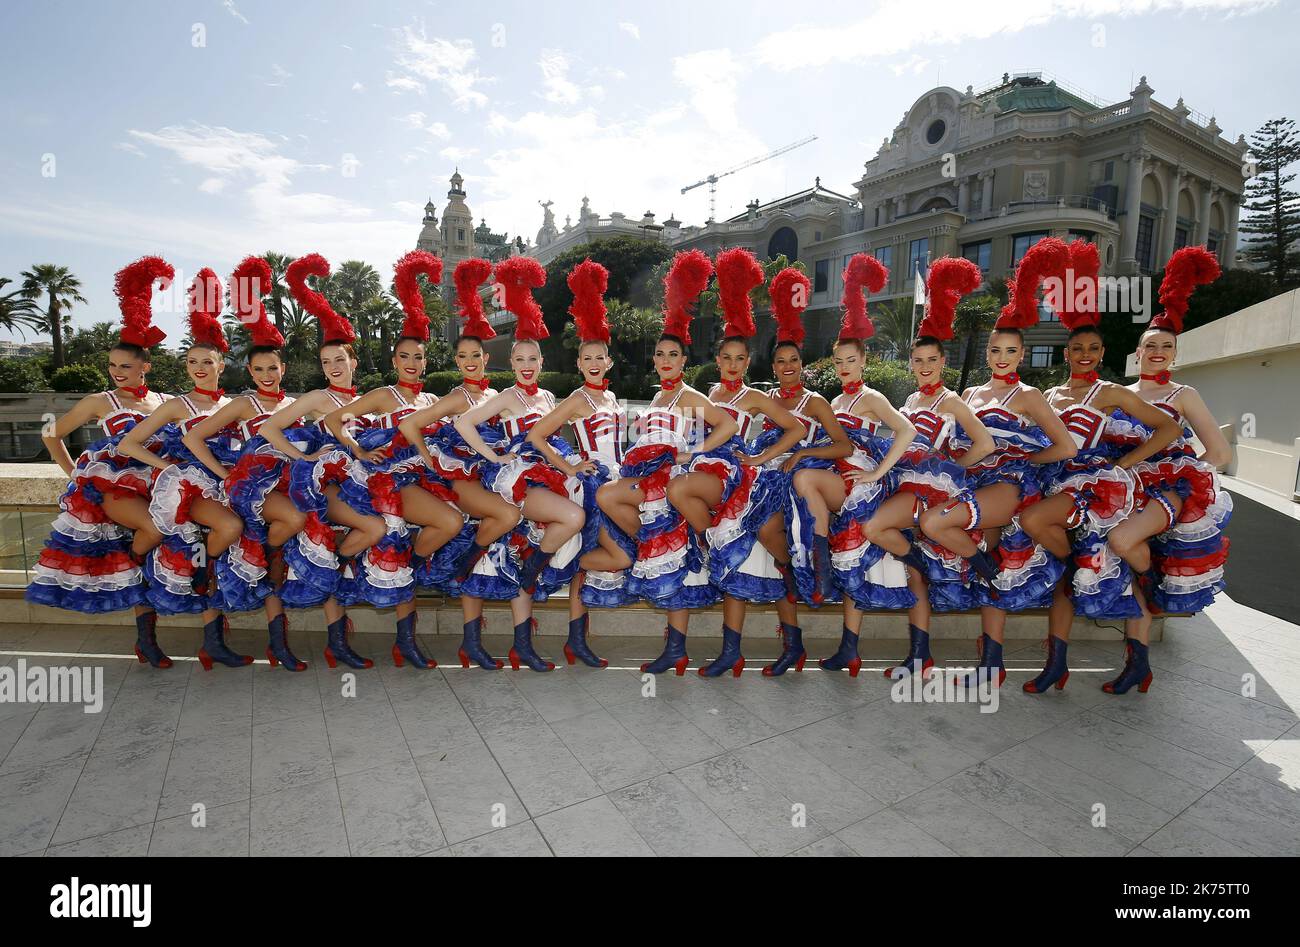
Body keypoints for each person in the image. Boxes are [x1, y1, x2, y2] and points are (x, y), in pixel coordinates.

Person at [1019, 239, 1182, 694]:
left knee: (1036, 521)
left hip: (1098, 491)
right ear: (1066, 354)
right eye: (1077, 348)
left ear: (1102, 350)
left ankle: (1138, 663)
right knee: (1068, 581)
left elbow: (1166, 429)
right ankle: (1057, 665)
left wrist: (1126, 465)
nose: (1085, 354)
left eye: (1093, 347)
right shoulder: (1049, 397)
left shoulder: (1111, 393)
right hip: (1056, 483)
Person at [26, 256, 174, 667]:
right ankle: (125, 568)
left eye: (126, 366)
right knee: (154, 528)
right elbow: (50, 433)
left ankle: (147, 640)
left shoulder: (163, 401)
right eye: (111, 365)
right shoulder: (98, 401)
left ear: (146, 365)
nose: (116, 373)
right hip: (113, 486)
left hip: (159, 484)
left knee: (157, 547)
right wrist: (74, 474)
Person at [597, 249, 738, 674]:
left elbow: (727, 427)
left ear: (683, 360)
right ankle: (649, 541)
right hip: (650, 483)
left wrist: (691, 452)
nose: (664, 361)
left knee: (675, 562)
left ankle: (676, 646)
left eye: (672, 355)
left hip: (674, 482)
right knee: (607, 498)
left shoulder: (692, 396)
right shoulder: (658, 396)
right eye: (659, 355)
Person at [944, 240, 1078, 687]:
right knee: (991, 566)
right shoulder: (971, 396)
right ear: (987, 353)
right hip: (973, 482)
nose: (1001, 358)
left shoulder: (1029, 396)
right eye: (994, 351)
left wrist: (1023, 459)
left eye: (1010, 352)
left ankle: (1046, 653)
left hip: (1011, 487)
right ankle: (991, 664)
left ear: (1022, 355)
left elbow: (1066, 447)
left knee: (955, 534)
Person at [320, 251, 463, 669]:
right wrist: (360, 449)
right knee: (435, 526)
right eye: (405, 357)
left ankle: (406, 634)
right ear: (393, 361)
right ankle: (344, 570)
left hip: (420, 480)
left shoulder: (433, 399)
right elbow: (334, 418)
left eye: (419, 357)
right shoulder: (384, 394)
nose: (414, 363)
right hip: (382, 481)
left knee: (442, 528)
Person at [689, 252, 826, 678]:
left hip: (751, 483)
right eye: (726, 358)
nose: (732, 364)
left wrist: (762, 458)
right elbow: (698, 435)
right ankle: (732, 652)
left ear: (748, 364)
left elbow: (795, 431)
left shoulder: (755, 397)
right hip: (717, 479)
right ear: (718, 360)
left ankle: (793, 644)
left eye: (740, 359)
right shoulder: (709, 391)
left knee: (777, 558)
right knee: (737, 562)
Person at [861, 258, 997, 682]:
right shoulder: (906, 406)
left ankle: (979, 566)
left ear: (943, 361)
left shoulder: (952, 401)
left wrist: (952, 468)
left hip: (938, 494)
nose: (923, 366)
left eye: (931, 359)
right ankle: (920, 656)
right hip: (906, 489)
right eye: (917, 360)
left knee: (907, 556)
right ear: (911, 363)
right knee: (879, 534)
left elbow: (986, 443)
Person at [453, 257, 586, 671]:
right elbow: (463, 422)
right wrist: (494, 456)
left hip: (546, 476)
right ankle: (533, 569)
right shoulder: (507, 397)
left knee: (519, 554)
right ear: (510, 365)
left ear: (541, 364)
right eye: (520, 360)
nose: (527, 366)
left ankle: (521, 646)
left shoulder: (547, 399)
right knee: (572, 517)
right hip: (516, 481)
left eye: (533, 360)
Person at [1109, 245, 1231, 691]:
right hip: (1123, 489)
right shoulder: (1120, 393)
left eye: (1166, 346)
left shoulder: (1184, 394)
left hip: (1169, 490)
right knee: (1119, 569)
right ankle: (1137, 664)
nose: (1158, 352)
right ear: (1137, 354)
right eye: (1150, 346)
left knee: (1123, 541)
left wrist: (1187, 475)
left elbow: (1218, 452)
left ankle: (1158, 576)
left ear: (1174, 354)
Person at [116, 268, 250, 670]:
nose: (198, 367)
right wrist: (168, 467)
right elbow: (128, 443)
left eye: (206, 361)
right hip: (188, 489)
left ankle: (212, 641)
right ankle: (152, 634)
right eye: (191, 361)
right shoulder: (177, 405)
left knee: (219, 553)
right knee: (227, 532)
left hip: (227, 485)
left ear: (221, 364)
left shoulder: (235, 404)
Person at [397, 257, 524, 670]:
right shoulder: (456, 397)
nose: (470, 360)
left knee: (492, 542)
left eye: (476, 355)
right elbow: (411, 424)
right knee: (505, 516)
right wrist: (431, 461)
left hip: (491, 477)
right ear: (456, 361)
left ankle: (471, 642)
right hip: (459, 480)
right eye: (463, 355)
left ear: (487, 360)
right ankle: (423, 566)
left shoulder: (496, 397)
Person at [793, 255, 917, 677]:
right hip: (838, 482)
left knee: (806, 477)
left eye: (851, 360)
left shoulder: (871, 397)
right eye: (839, 361)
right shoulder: (835, 402)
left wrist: (879, 473)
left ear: (864, 360)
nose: (845, 367)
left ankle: (819, 556)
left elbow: (906, 431)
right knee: (852, 567)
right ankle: (850, 648)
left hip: (859, 483)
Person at [251, 253, 375, 669]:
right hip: (322, 490)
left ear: (353, 362)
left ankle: (336, 641)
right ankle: (284, 641)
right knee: (369, 529)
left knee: (367, 535)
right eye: (326, 363)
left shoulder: (363, 399)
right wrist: (304, 454)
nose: (334, 367)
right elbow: (269, 430)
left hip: (361, 483)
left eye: (340, 360)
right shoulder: (317, 399)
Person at [182, 256, 305, 669]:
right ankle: (211, 581)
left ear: (282, 368)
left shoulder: (293, 404)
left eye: (273, 367)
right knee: (287, 530)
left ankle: (278, 645)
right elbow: (193, 436)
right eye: (258, 369)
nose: (267, 374)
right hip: (250, 491)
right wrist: (222, 473)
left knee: (275, 563)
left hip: (288, 483)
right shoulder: (243, 403)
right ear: (248, 371)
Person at [523, 259, 629, 668]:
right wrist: (569, 467)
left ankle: (575, 641)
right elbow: (537, 435)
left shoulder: (612, 398)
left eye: (600, 357)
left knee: (611, 558)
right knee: (619, 557)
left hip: (616, 483)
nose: (594, 363)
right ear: (579, 365)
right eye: (587, 359)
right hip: (592, 488)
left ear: (609, 361)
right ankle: (557, 568)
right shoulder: (580, 399)